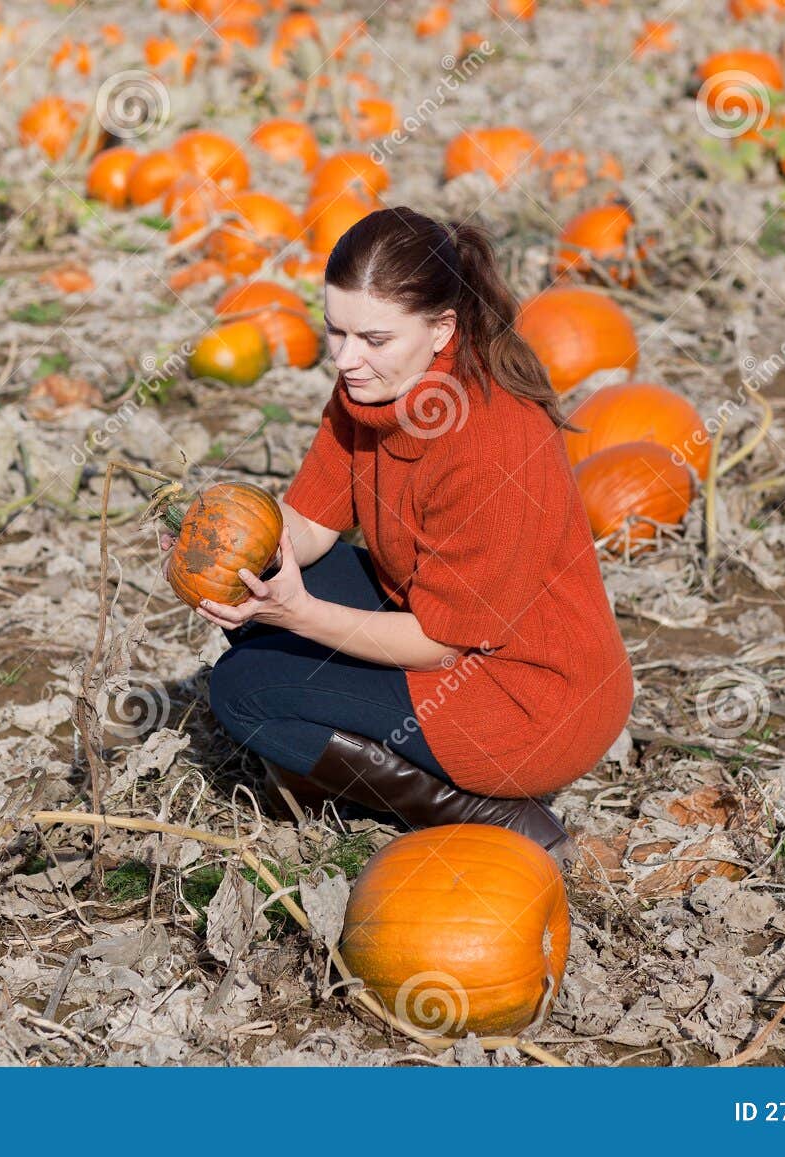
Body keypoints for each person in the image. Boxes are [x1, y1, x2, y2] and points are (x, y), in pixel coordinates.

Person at [160, 206, 633, 868]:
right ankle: (327, 760)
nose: (347, 358)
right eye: (335, 332)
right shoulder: (370, 386)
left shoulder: (488, 443)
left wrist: (300, 614)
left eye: (373, 339)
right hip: (436, 623)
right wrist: (223, 540)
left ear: (442, 329)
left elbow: (442, 644)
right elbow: (312, 523)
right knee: (256, 603)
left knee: (242, 688)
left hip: (531, 695)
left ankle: (490, 813)